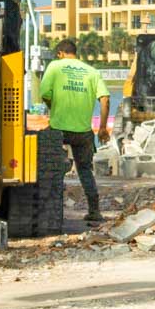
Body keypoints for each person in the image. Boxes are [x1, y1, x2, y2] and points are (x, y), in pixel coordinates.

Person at [39, 38, 110, 224]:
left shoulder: (55, 66)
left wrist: (54, 108)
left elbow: (45, 94)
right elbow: (105, 100)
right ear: (75, 53)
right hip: (83, 132)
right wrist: (102, 128)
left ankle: (49, 212)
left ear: (60, 53)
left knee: (49, 168)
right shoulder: (92, 72)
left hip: (58, 129)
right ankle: (94, 211)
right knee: (85, 170)